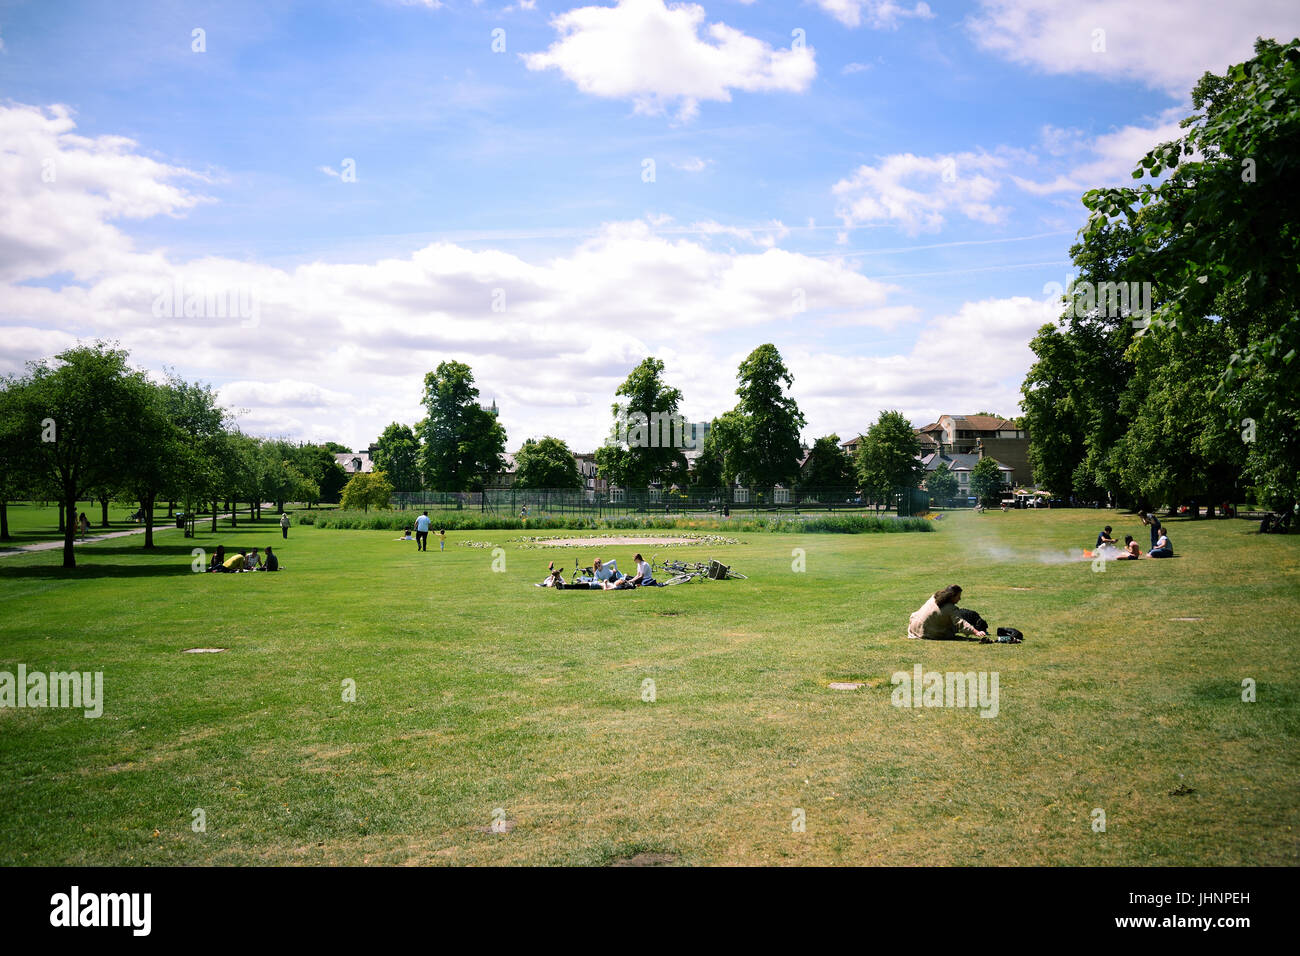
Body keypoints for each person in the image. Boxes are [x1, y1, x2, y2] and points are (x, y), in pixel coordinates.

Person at [907, 585, 987, 641]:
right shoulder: (951, 609)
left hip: (914, 626)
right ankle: (980, 627)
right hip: (926, 632)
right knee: (962, 618)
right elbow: (961, 623)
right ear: (952, 596)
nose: (960, 599)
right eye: (958, 596)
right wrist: (976, 632)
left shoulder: (934, 596)